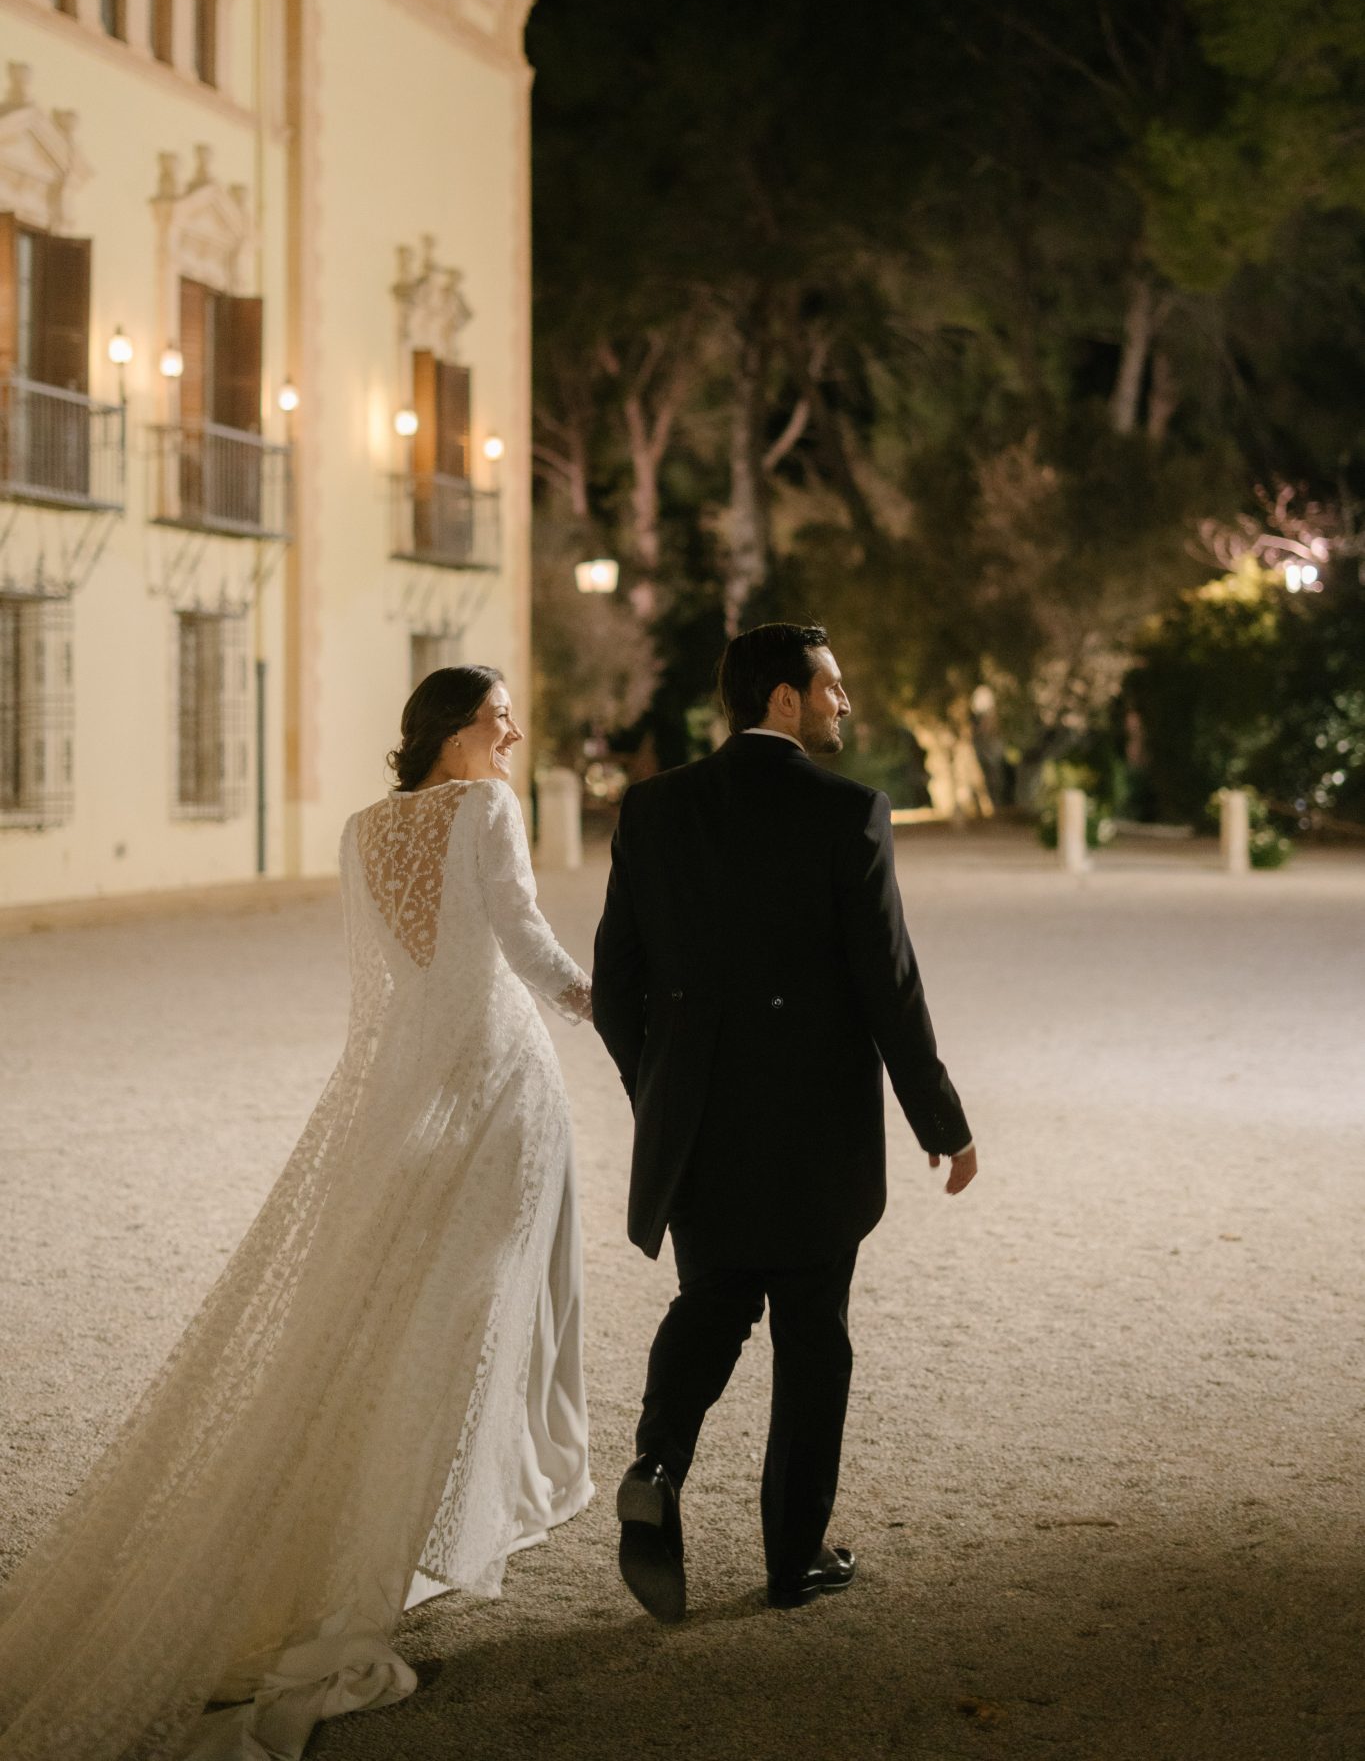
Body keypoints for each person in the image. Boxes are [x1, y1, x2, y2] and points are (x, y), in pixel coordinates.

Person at [0, 667, 593, 1761]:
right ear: (455, 733)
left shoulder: (363, 828)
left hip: (405, 1098)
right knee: (475, 1308)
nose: (514, 728)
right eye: (498, 713)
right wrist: (604, 1002)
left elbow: (380, 993)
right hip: (501, 1084)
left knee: (398, 1317)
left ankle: (378, 1526)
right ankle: (408, 1535)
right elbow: (516, 933)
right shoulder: (488, 806)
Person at [592, 623, 977, 1620]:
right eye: (832, 686)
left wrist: (664, 1086)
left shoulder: (654, 808)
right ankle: (792, 1556)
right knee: (814, 1336)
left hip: (700, 1126)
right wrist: (940, 1115)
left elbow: (613, 986)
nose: (844, 702)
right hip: (815, 1134)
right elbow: (888, 983)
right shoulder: (847, 812)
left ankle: (658, 1467)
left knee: (712, 1300)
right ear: (784, 699)